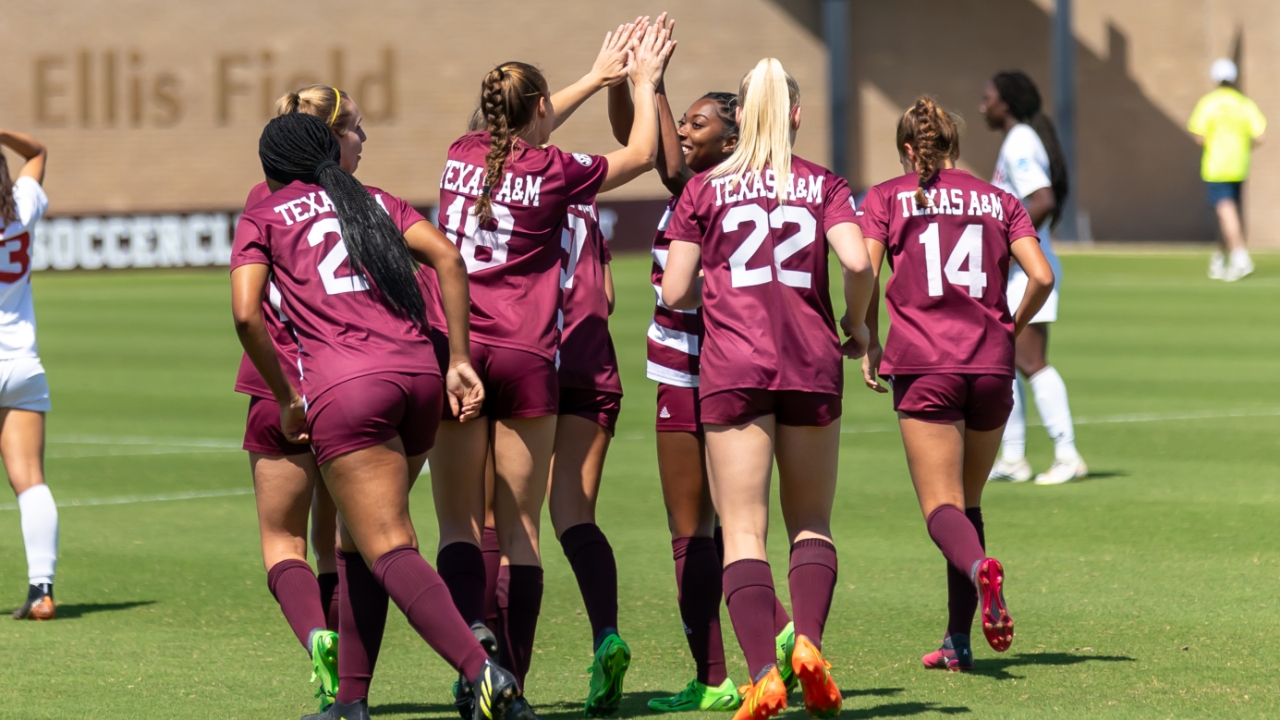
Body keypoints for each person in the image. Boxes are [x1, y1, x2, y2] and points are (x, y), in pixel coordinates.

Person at [232, 112, 521, 720]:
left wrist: (287, 397)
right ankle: (352, 701)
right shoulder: (373, 199)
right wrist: (461, 360)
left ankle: (482, 672)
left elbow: (245, 314)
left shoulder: (263, 214)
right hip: (419, 377)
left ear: (270, 167)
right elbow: (448, 257)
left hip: (346, 384)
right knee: (359, 545)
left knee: (388, 544)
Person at [433, 19, 671, 701]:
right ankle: (515, 686)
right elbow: (641, 153)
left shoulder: (457, 153)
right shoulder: (558, 173)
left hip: (457, 354)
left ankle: (473, 645)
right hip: (528, 358)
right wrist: (639, 81)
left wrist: (594, 78)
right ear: (540, 110)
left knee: (458, 525)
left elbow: (517, 127)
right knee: (522, 531)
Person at [661, 58, 874, 720]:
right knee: (810, 523)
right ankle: (807, 642)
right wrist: (856, 322)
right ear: (797, 118)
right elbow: (858, 259)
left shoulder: (705, 190)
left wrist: (720, 289)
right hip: (812, 364)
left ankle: (761, 677)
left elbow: (673, 291)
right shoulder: (824, 184)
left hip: (734, 368)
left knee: (743, 531)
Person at [608, 51, 797, 712]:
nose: (685, 132)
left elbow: (662, 159)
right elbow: (649, 148)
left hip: (694, 372)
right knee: (725, 527)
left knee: (694, 532)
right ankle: (782, 635)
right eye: (682, 123)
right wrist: (642, 87)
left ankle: (718, 675)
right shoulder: (713, 185)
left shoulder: (708, 189)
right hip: (726, 368)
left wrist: (650, 89)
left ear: (732, 137)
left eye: (698, 124)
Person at [856, 97, 1054, 672]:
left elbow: (863, 272)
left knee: (941, 508)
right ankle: (957, 641)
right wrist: (1009, 327)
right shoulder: (1000, 200)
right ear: (956, 147)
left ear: (908, 151)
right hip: (991, 366)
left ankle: (980, 573)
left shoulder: (888, 197)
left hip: (925, 365)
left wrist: (867, 336)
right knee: (969, 503)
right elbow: (1039, 275)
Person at [233, 85, 361, 711]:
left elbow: (246, 308)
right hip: (350, 383)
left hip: (278, 389)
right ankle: (352, 666)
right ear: (333, 138)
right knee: (341, 539)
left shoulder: (265, 200)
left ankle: (317, 638)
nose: (365, 140)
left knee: (282, 542)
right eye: (357, 128)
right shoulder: (359, 200)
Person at [979, 71, 1087, 486]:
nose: (982, 105)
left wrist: (1007, 248)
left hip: (1028, 269)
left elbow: (1041, 199)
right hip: (1021, 267)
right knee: (1005, 360)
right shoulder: (1019, 138)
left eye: (987, 97)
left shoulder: (1021, 139)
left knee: (1029, 360)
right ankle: (1013, 457)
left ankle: (1067, 453)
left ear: (1006, 102)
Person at [548, 201, 627, 717]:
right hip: (594, 366)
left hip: (530, 360)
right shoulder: (582, 201)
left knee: (499, 524)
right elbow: (609, 297)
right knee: (576, 518)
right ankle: (606, 635)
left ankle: (493, 668)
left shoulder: (492, 192)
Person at [0, 128, 57, 621]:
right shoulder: (21, 205)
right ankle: (41, 589)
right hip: (20, 361)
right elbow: (37, 151)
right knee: (31, 480)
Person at [1188, 57, 1266, 281]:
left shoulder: (1209, 103)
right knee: (1228, 213)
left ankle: (1240, 257)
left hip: (1216, 166)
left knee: (1225, 211)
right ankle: (1219, 258)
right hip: (1239, 165)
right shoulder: (1244, 104)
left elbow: (1199, 136)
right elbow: (1260, 136)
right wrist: (1241, 146)